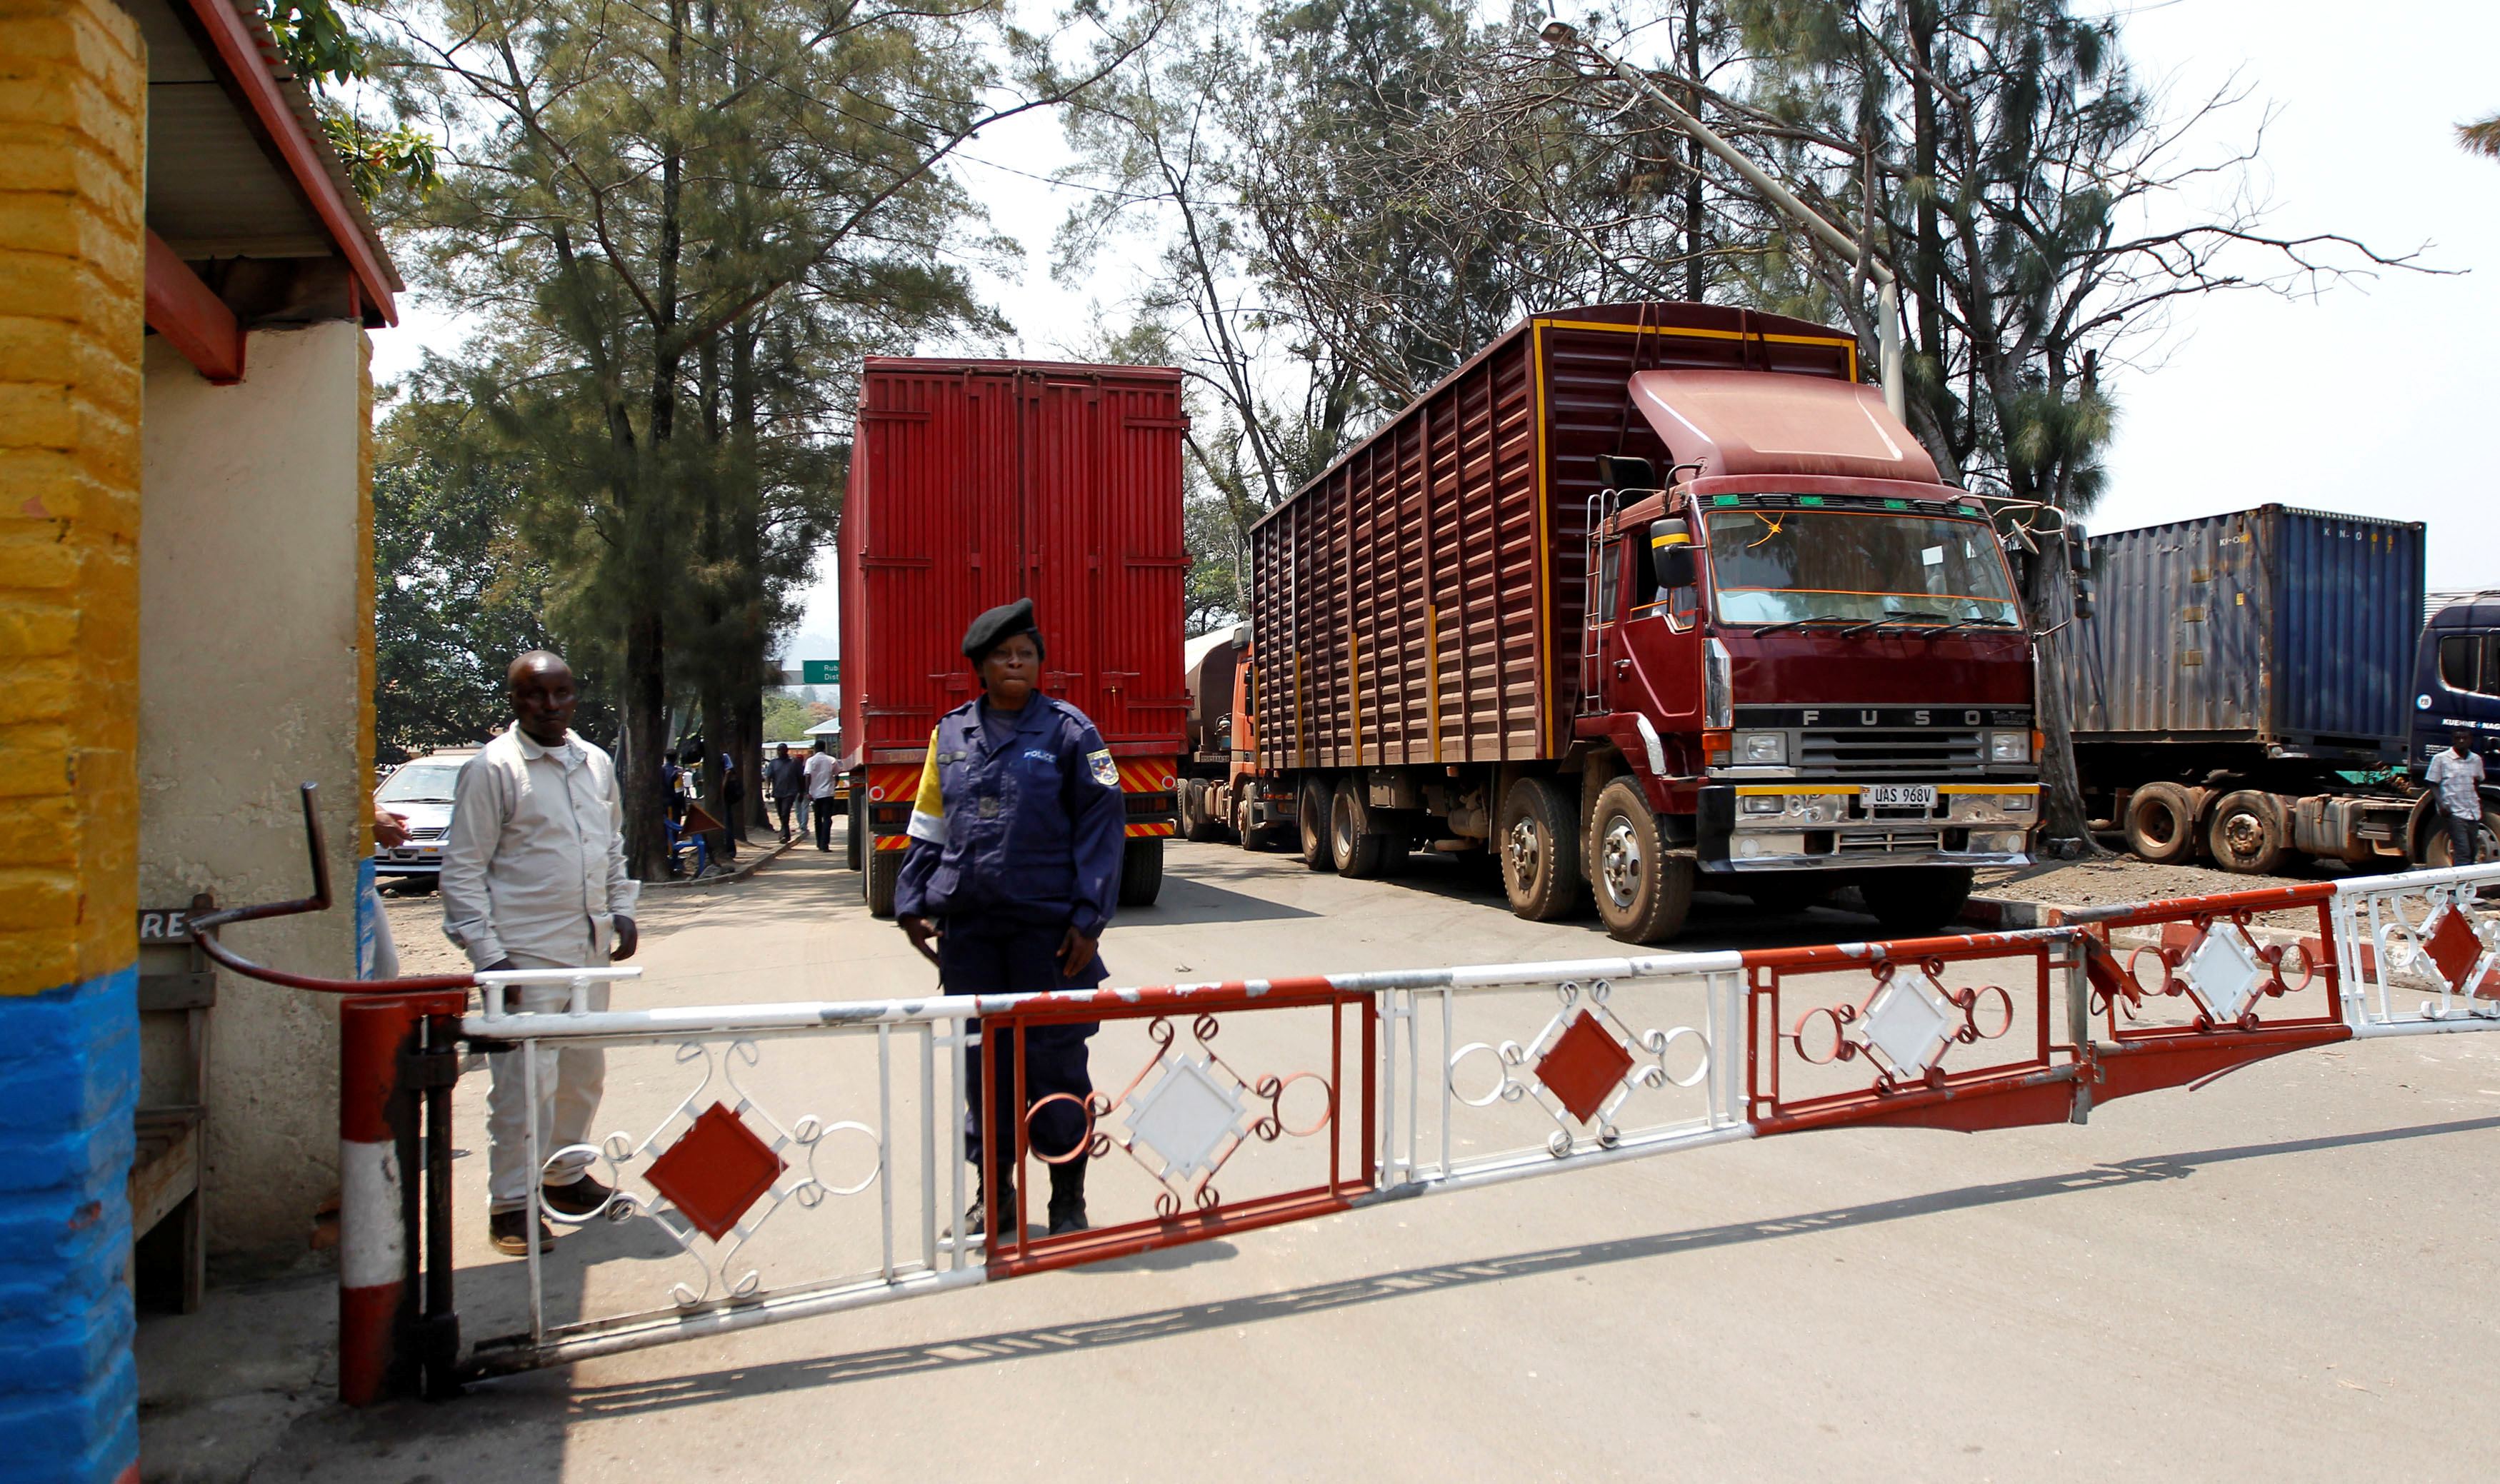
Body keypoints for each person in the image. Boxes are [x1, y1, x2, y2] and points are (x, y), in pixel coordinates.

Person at [895, 599, 1124, 1238]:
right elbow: (930, 823)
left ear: (1039, 664)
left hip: (1049, 936)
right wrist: (911, 900)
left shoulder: (1072, 733)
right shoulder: (950, 735)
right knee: (985, 1068)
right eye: (1003, 655)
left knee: (1056, 1064)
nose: (1015, 663)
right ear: (981, 667)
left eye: (1026, 654)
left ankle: (1067, 1201)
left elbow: (1103, 825)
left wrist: (1089, 916)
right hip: (972, 935)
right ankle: (993, 1196)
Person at [441, 651, 640, 1257]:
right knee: (525, 1086)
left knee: (582, 1073)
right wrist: (488, 956)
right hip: (522, 957)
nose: (549, 707)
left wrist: (622, 908)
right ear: (514, 700)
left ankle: (565, 1178)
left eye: (560, 694)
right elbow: (463, 870)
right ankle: (511, 1205)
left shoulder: (594, 762)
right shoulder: (493, 769)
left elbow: (610, 846)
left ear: (575, 697)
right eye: (534, 695)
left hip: (587, 950)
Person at [2427, 729, 2488, 866]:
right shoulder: (2441, 759)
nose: (2461, 741)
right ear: (2453, 740)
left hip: (2472, 811)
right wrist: (2442, 805)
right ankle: (2460, 878)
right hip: (2454, 811)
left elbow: (2478, 780)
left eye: (2465, 738)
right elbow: (2433, 783)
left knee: (2473, 850)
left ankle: (2468, 877)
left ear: (2471, 740)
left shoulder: (2476, 760)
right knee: (2463, 851)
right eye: (2458, 738)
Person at [804, 740, 840, 851]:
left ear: (815, 749)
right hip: (828, 793)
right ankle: (825, 844)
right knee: (827, 819)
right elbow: (837, 774)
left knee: (817, 818)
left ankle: (819, 843)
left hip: (815, 794)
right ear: (825, 748)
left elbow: (807, 776)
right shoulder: (831, 760)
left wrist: (807, 792)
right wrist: (834, 785)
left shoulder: (810, 761)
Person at [767, 743, 806, 842]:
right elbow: (769, 776)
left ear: (787, 751)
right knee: (781, 814)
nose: (780, 752)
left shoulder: (794, 762)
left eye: (782, 750)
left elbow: (801, 778)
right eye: (779, 750)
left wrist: (802, 792)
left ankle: (783, 834)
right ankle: (786, 833)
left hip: (790, 792)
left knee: (785, 813)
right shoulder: (774, 763)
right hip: (778, 792)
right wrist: (767, 790)